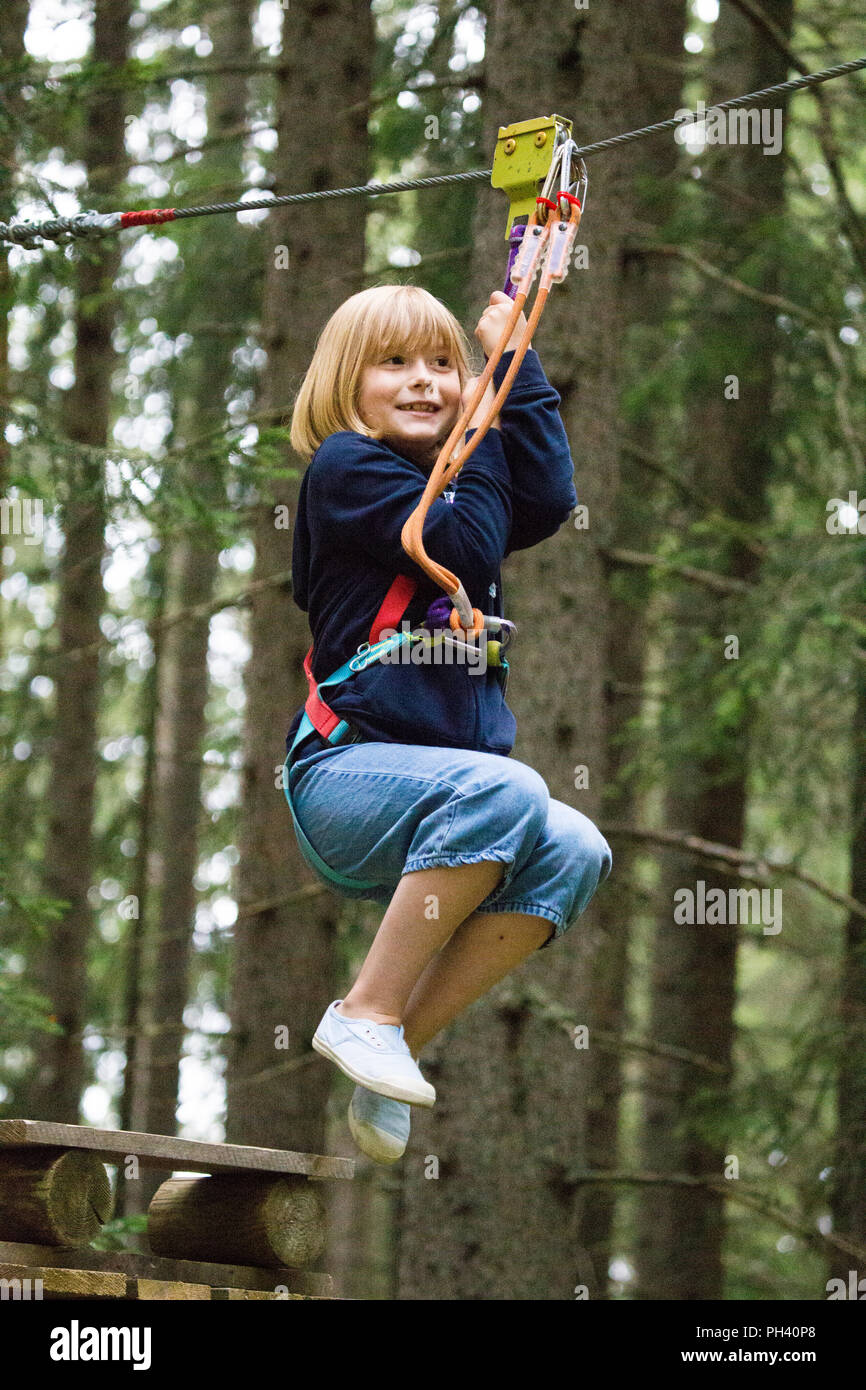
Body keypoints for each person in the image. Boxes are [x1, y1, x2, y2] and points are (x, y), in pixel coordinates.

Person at [285, 283, 612, 1163]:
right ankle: (365, 1011)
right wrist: (487, 419)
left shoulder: (454, 474)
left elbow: (541, 500)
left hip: (445, 803)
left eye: (442, 363)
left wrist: (514, 372)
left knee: (577, 845)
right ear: (346, 386)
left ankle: (388, 1041)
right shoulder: (347, 470)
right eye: (395, 364)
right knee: (512, 789)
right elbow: (463, 547)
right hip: (345, 775)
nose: (428, 381)